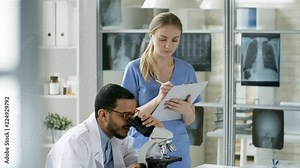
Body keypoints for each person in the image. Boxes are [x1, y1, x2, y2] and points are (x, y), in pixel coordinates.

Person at [121, 12, 201, 168]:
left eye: (175, 40)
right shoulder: (134, 69)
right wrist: (158, 99)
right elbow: (127, 117)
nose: (168, 45)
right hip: (143, 146)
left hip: (177, 147)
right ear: (151, 35)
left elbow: (190, 120)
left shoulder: (187, 70)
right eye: (162, 39)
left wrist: (186, 110)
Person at [45, 83, 162, 168]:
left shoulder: (119, 137)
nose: (130, 122)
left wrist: (156, 136)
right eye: (125, 115)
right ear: (103, 115)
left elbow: (135, 163)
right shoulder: (75, 143)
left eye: (133, 115)